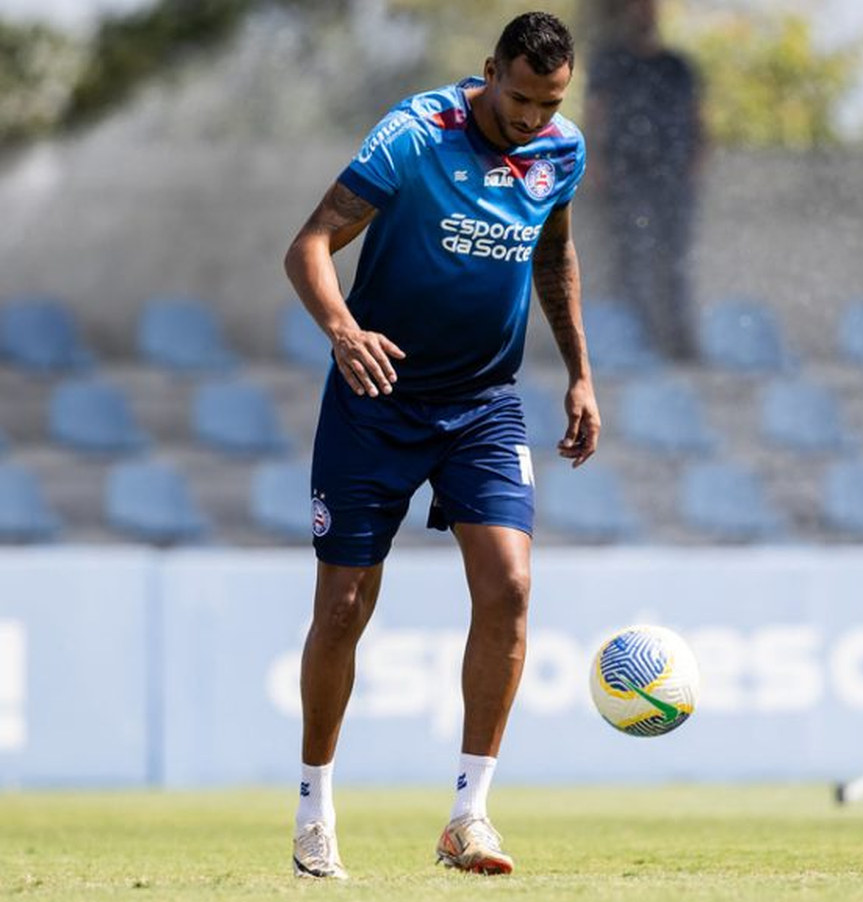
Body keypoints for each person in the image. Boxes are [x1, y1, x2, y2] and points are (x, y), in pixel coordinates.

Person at [282, 11, 598, 879]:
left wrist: (580, 373)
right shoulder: (416, 133)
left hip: (484, 405)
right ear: (490, 70)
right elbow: (309, 245)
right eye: (522, 97)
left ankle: (469, 817)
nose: (533, 118)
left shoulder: (561, 151)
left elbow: (554, 258)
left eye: (551, 103)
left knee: (511, 588)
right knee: (343, 608)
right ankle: (314, 814)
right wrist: (343, 330)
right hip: (375, 400)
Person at [585, 0, 705, 361]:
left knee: (673, 261)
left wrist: (695, 165)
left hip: (672, 176)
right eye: (638, 6)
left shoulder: (677, 66)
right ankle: (635, 342)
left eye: (649, 6)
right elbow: (595, 113)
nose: (644, 12)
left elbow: (698, 119)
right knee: (629, 261)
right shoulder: (610, 62)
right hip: (626, 175)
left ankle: (679, 343)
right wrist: (596, 163)